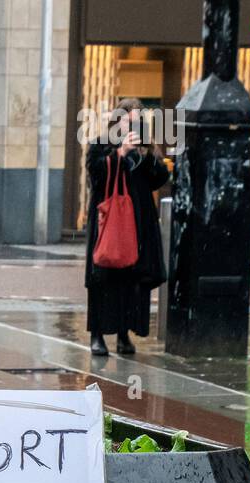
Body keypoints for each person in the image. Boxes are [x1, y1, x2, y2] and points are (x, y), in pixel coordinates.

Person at [85, 99, 169, 358]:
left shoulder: (145, 147)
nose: (131, 124)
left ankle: (124, 333)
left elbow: (160, 178)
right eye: (127, 118)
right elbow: (95, 175)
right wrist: (119, 154)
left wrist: (143, 155)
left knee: (131, 278)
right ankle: (98, 335)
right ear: (116, 120)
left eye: (136, 119)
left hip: (137, 223)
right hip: (108, 222)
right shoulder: (101, 144)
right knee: (102, 276)